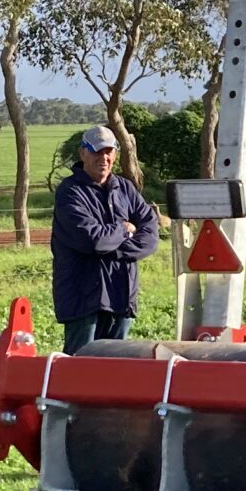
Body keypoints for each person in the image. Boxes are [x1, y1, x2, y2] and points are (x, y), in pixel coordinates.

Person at [51, 124, 160, 352]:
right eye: (97, 151)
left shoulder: (126, 188)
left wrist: (114, 248)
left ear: (115, 154)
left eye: (108, 151)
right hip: (84, 299)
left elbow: (150, 234)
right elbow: (93, 240)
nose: (104, 158)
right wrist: (124, 230)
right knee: (79, 369)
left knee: (115, 370)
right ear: (83, 153)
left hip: (122, 295)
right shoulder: (70, 192)